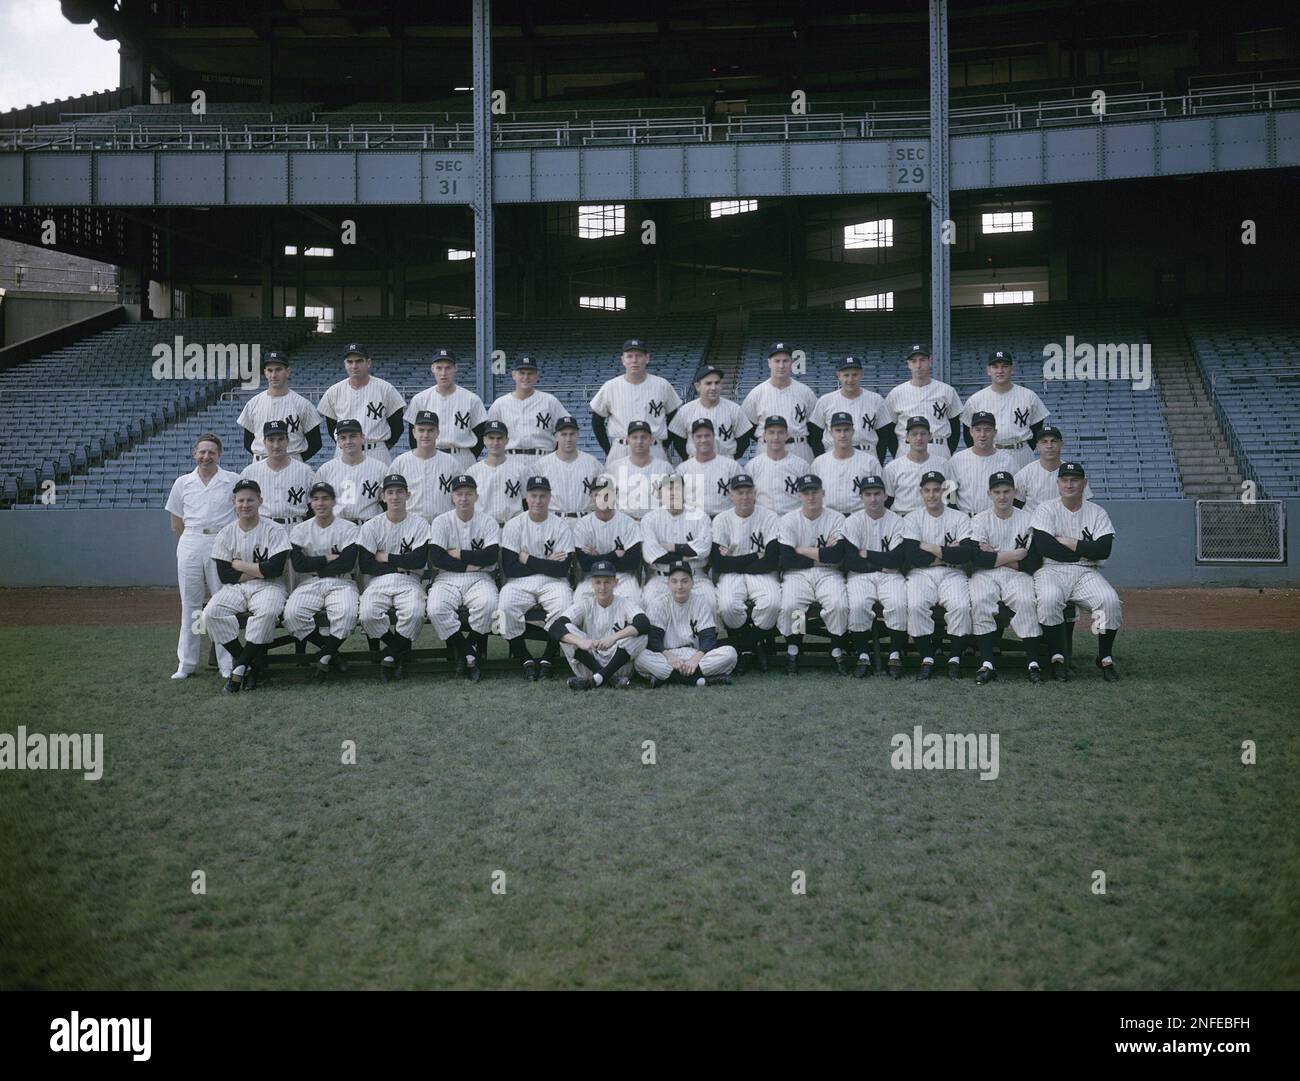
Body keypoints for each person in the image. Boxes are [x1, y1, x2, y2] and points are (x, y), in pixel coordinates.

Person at [1030, 462, 1122, 682]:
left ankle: (1104, 655)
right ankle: (1057, 656)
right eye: (1065, 480)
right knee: (1050, 600)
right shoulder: (1046, 508)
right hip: (1051, 569)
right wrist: (1085, 551)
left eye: (1075, 480)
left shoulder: (1097, 512)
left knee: (1108, 602)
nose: (1069, 484)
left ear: (1084, 483)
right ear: (1058, 483)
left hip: (1086, 572)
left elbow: (1104, 549)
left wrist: (1069, 542)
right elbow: (1045, 546)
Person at [203, 479, 291, 693]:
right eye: (241, 500)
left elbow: (275, 570)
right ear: (234, 502)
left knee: (268, 613)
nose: (245, 504)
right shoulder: (226, 533)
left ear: (260, 500)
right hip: (237, 588)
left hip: (270, 586)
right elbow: (225, 576)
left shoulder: (275, 530)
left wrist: (240, 564)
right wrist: (258, 569)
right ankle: (252, 665)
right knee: (211, 613)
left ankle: (240, 669)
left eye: (250, 500)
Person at [165, 433, 238, 680]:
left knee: (222, 604)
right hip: (191, 542)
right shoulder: (182, 483)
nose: (207, 456)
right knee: (191, 605)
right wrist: (192, 542)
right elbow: (176, 522)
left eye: (212, 452)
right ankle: (186, 663)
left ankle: (226, 663)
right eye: (202, 452)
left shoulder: (232, 481)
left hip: (221, 544)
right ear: (194, 453)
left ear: (219, 455)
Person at [967, 471, 1043, 684]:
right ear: (989, 494)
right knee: (981, 601)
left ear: (1014, 492)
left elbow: (1033, 561)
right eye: (997, 492)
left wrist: (995, 554)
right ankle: (987, 663)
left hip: (1016, 574)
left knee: (1027, 601)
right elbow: (978, 559)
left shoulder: (1028, 518)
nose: (1002, 496)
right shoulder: (980, 519)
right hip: (986, 575)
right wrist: (1013, 555)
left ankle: (1033, 662)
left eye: (1007, 491)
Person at [282, 481, 361, 682]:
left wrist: (313, 562)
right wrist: (327, 558)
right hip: (309, 582)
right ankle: (332, 652)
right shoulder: (300, 529)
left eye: (325, 498)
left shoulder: (348, 528)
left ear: (334, 502)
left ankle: (324, 656)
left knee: (347, 613)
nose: (320, 503)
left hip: (341, 582)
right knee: (292, 615)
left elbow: (346, 563)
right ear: (309, 502)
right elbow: (299, 565)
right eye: (316, 499)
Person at [426, 474, 501, 682]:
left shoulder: (488, 521)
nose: (464, 498)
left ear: (476, 496)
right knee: (435, 608)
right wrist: (473, 562)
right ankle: (469, 652)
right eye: (459, 494)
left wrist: (458, 553)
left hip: (480, 578)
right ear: (452, 497)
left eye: (469, 494)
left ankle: (463, 652)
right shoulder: (441, 521)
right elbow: (437, 558)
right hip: (447, 578)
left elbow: (491, 555)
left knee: (489, 604)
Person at [901, 471, 975, 681]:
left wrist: (929, 547)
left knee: (960, 607)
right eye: (927, 490)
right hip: (921, 574)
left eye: (936, 489)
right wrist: (946, 552)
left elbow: (965, 554)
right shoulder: (912, 518)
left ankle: (954, 658)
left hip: (953, 573)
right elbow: (913, 557)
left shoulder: (959, 517)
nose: (932, 495)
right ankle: (927, 657)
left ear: (944, 491)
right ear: (921, 493)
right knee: (915, 606)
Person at [357, 474, 431, 682]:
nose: (395, 496)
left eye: (400, 492)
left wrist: (386, 557)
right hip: (378, 580)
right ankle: (398, 649)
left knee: (416, 613)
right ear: (382, 496)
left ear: (408, 495)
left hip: (409, 580)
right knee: (367, 615)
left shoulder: (420, 524)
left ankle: (389, 654)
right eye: (390, 492)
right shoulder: (372, 525)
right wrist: (401, 561)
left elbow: (417, 561)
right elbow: (366, 563)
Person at [499, 476, 574, 680]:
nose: (538, 501)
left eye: (542, 496)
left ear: (550, 497)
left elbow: (562, 568)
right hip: (519, 582)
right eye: (534, 496)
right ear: (526, 498)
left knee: (565, 605)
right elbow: (509, 567)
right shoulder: (514, 525)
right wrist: (545, 563)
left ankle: (548, 657)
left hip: (554, 582)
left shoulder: (561, 525)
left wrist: (527, 559)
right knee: (505, 606)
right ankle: (525, 658)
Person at [778, 474, 849, 676]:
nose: (811, 497)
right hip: (797, 574)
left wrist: (801, 549)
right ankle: (794, 649)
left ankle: (836, 649)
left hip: (829, 573)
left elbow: (836, 556)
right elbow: (788, 559)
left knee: (838, 604)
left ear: (823, 493)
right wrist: (821, 554)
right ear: (799, 495)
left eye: (815, 492)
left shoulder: (836, 518)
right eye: (806, 493)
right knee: (793, 607)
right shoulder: (788, 520)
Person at [711, 472, 781, 674]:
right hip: (733, 575)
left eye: (748, 491)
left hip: (761, 574)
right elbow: (720, 564)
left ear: (755, 493)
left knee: (772, 603)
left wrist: (734, 560)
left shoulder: (769, 516)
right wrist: (754, 556)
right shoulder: (722, 519)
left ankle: (745, 648)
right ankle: (755, 646)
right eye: (739, 492)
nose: (744, 496)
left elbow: (771, 561)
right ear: (731, 494)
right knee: (727, 606)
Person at [840, 474, 908, 679]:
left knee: (898, 603)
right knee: (859, 604)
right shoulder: (852, 521)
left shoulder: (897, 521)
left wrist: (867, 554)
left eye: (877, 493)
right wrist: (881, 562)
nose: (873, 499)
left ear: (886, 495)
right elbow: (850, 560)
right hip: (861, 575)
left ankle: (895, 654)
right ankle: (863, 655)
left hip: (891, 575)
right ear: (861, 497)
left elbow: (898, 559)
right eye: (868, 494)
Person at [549, 559, 652, 691]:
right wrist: (580, 642)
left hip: (619, 666)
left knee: (641, 635)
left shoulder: (624, 603)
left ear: (615, 582)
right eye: (598, 582)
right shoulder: (586, 604)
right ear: (592, 583)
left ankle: (595, 680)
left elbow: (644, 623)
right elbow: (555, 628)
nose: (602, 587)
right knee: (566, 630)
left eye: (607, 582)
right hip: (589, 664)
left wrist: (612, 639)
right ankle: (606, 678)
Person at [635, 564, 738, 687]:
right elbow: (653, 639)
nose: (680, 586)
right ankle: (700, 680)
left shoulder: (701, 602)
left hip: (695, 655)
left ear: (692, 583)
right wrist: (670, 657)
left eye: (684, 581)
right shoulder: (659, 603)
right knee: (640, 657)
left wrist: (695, 659)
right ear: (668, 583)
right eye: (674, 581)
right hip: (667, 656)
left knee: (730, 653)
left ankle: (669, 678)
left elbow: (709, 638)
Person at [589, 337, 682, 464]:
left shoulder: (662, 385)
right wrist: (608, 449)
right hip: (621, 448)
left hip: (654, 447)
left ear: (647, 358)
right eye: (629, 356)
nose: (634, 360)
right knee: (617, 484)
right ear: (623, 360)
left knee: (658, 484)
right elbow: (596, 421)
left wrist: (664, 444)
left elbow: (674, 419)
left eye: (638, 356)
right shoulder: (610, 386)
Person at [317, 342, 405, 465]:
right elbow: (332, 426)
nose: (354, 366)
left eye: (359, 361)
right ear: (345, 364)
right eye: (350, 362)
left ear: (368, 363)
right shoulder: (334, 391)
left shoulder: (385, 389)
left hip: (376, 451)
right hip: (344, 453)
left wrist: (382, 446)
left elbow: (397, 427)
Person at [960, 349, 1049, 471]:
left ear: (1012, 369)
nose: (1000, 371)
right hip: (990, 453)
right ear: (988, 370)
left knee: (1023, 489)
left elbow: (1037, 431)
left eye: (1004, 366)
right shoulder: (976, 399)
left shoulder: (1029, 396)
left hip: (1021, 452)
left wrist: (1022, 447)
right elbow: (968, 434)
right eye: (995, 367)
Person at [640, 473, 714, 610]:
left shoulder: (701, 517)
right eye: (669, 488)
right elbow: (655, 557)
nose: (673, 493)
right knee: (649, 602)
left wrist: (671, 547)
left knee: (710, 602)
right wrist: (687, 552)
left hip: (695, 577)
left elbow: (704, 550)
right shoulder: (649, 519)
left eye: (678, 488)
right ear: (661, 493)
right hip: (661, 578)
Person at [406, 348, 488, 470]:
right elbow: (413, 436)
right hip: (431, 456)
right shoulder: (420, 399)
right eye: (439, 368)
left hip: (462, 457)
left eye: (448, 368)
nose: (443, 373)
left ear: (456, 368)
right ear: (432, 369)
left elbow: (481, 434)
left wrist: (469, 455)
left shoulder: (472, 399)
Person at [741, 341, 821, 462]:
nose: (781, 365)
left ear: (792, 362)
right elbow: (747, 429)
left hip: (799, 448)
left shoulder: (805, 392)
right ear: (769, 363)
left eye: (785, 361)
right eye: (777, 361)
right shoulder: (756, 393)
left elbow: (816, 429)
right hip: (766, 450)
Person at [237, 350, 322, 462]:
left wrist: (295, 461)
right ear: (265, 373)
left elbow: (315, 443)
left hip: (293, 462)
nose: (273, 375)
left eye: (278, 369)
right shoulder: (253, 404)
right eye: (270, 370)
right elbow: (248, 442)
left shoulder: (303, 405)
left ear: (287, 371)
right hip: (260, 463)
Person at [884, 345, 962, 460]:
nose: (918, 365)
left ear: (930, 361)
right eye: (913, 361)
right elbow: (889, 430)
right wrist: (899, 451)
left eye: (922, 360)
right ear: (908, 364)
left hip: (938, 447)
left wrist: (948, 449)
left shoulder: (946, 391)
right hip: (906, 449)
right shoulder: (896, 393)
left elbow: (955, 426)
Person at [810, 356, 895, 461]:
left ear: (861, 374)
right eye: (846, 375)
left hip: (868, 455)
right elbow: (815, 437)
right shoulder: (825, 401)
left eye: (854, 375)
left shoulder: (876, 400)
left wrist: (878, 462)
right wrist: (822, 460)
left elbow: (884, 437)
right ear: (839, 376)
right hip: (834, 457)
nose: (850, 379)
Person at [572, 476, 642, 604]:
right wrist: (614, 555)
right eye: (597, 494)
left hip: (622, 577)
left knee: (634, 600)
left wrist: (597, 558)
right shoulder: (582, 525)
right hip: (592, 577)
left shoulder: (628, 523)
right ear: (591, 497)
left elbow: (633, 561)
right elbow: (585, 564)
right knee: (579, 601)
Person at [239, 420, 316, 528]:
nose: (276, 445)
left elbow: (314, 505)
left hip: (295, 527)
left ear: (287, 441)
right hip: (262, 527)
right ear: (264, 442)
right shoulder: (250, 472)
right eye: (271, 440)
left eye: (280, 439)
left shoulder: (305, 471)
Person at [668, 364, 752, 461]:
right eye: (708, 383)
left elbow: (744, 441)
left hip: (725, 461)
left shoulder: (734, 409)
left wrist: (730, 458)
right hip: (695, 463)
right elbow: (679, 442)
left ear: (721, 384)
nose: (713, 387)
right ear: (697, 386)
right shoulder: (685, 411)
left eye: (717, 383)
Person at [488, 355, 568, 458]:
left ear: (537, 376)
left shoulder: (550, 401)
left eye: (530, 373)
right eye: (521, 373)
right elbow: (489, 436)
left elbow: (566, 430)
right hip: (509, 459)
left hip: (542, 457)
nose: (526, 377)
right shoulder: (499, 404)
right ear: (513, 375)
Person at [314, 418, 388, 524]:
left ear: (362, 438)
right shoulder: (325, 470)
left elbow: (387, 505)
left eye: (353, 436)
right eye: (343, 438)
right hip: (338, 529)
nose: (348, 441)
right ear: (338, 442)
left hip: (369, 527)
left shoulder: (381, 469)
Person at [390, 410, 459, 523]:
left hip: (443, 524)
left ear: (438, 433)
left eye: (430, 430)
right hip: (410, 525)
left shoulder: (452, 463)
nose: (425, 435)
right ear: (414, 432)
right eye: (421, 430)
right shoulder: (400, 462)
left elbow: (460, 496)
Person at [811, 411, 884, 515]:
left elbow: (879, 495)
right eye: (838, 430)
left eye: (846, 430)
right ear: (831, 432)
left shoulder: (870, 461)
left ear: (853, 431)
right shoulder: (818, 463)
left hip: (859, 517)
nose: (842, 435)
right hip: (828, 518)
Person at [945, 411, 1016, 515]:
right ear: (971, 431)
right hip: (966, 520)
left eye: (987, 430)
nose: (982, 435)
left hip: (996, 520)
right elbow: (949, 496)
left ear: (995, 432)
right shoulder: (956, 460)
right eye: (978, 430)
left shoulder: (1008, 461)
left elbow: (1015, 495)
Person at [468, 419, 531, 525]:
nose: (495, 442)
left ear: (507, 440)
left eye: (500, 438)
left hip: (513, 528)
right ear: (484, 440)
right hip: (483, 529)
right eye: (491, 438)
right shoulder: (472, 472)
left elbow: (528, 502)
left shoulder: (521, 470)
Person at [1013, 425, 1092, 511]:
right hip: (1033, 522)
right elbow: (1015, 506)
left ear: (1061, 444)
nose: (1049, 446)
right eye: (1044, 442)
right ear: (1037, 446)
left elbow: (1086, 504)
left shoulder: (1074, 473)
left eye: (1053, 441)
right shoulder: (1025, 474)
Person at [537, 415, 602, 518]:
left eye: (572, 434)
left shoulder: (593, 463)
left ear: (578, 435)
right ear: (556, 436)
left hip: (585, 520)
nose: (568, 439)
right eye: (564, 434)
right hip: (554, 520)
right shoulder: (542, 465)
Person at [607, 421, 673, 520]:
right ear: (628, 440)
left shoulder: (665, 468)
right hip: (625, 523)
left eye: (644, 437)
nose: (639, 441)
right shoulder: (614, 468)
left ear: (651, 440)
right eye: (634, 437)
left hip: (656, 523)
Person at [674, 418, 740, 516]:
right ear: (692, 439)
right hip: (693, 520)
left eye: (707, 435)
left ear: (714, 436)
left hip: (724, 518)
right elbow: (673, 502)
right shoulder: (681, 469)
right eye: (699, 436)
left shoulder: (732, 466)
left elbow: (742, 496)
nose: (703, 440)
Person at [883, 416, 947, 515]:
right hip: (903, 520)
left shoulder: (943, 464)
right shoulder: (892, 468)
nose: (919, 438)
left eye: (923, 434)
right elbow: (887, 502)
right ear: (907, 437)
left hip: (936, 520)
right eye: (914, 434)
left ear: (930, 436)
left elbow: (951, 498)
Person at [748, 415, 805, 515]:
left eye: (780, 432)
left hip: (793, 520)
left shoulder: (801, 465)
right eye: (771, 432)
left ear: (787, 435)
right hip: (763, 520)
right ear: (764, 435)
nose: (776, 437)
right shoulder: (752, 466)